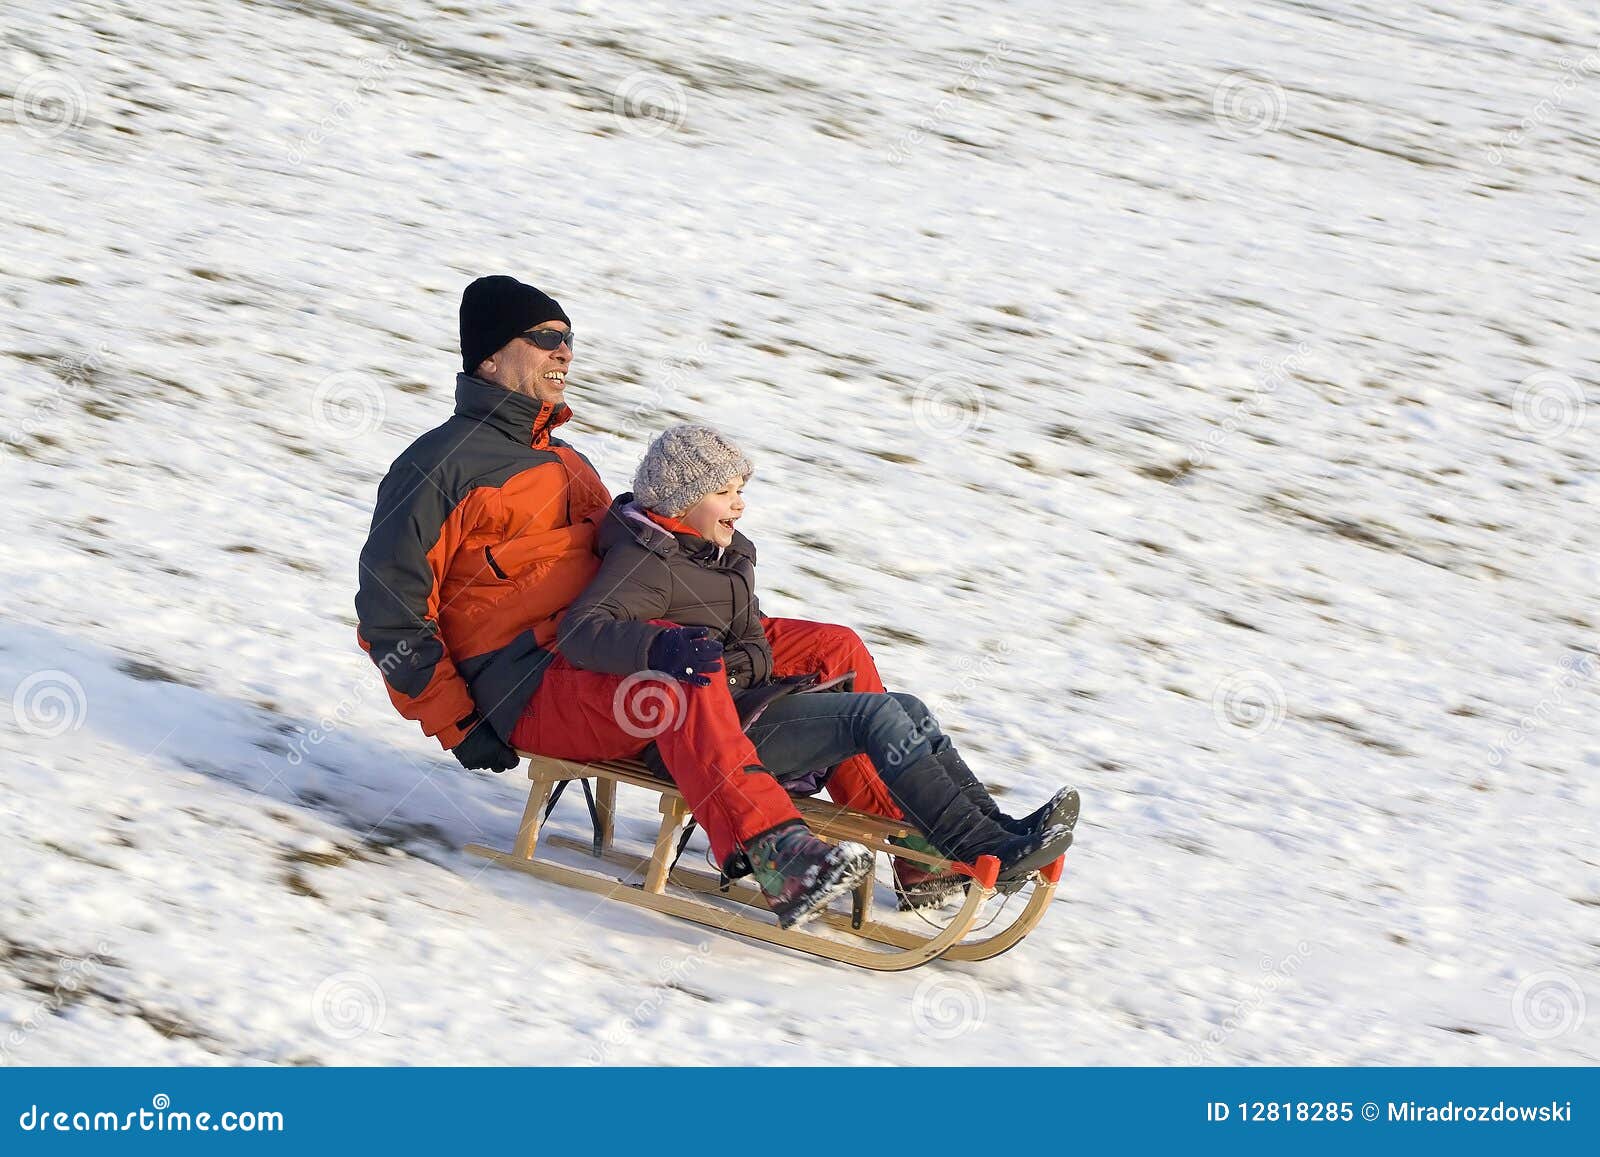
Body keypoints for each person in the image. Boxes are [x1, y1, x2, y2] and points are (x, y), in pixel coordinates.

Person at [356, 275, 908, 928]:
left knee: (830, 646)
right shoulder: (436, 468)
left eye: (569, 340)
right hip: (530, 683)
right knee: (683, 675)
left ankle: (909, 844)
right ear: (489, 356)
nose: (565, 352)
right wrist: (459, 722)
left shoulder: (568, 463)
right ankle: (775, 853)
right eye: (545, 339)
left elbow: (646, 561)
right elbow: (389, 616)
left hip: (614, 642)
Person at [557, 424, 1079, 910]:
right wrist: (659, 649)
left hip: (750, 707)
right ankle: (976, 848)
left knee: (905, 708)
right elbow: (582, 630)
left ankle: (995, 833)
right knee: (876, 720)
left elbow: (738, 634)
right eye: (726, 492)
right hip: (707, 738)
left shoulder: (712, 555)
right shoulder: (645, 562)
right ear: (683, 498)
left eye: (741, 489)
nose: (740, 504)